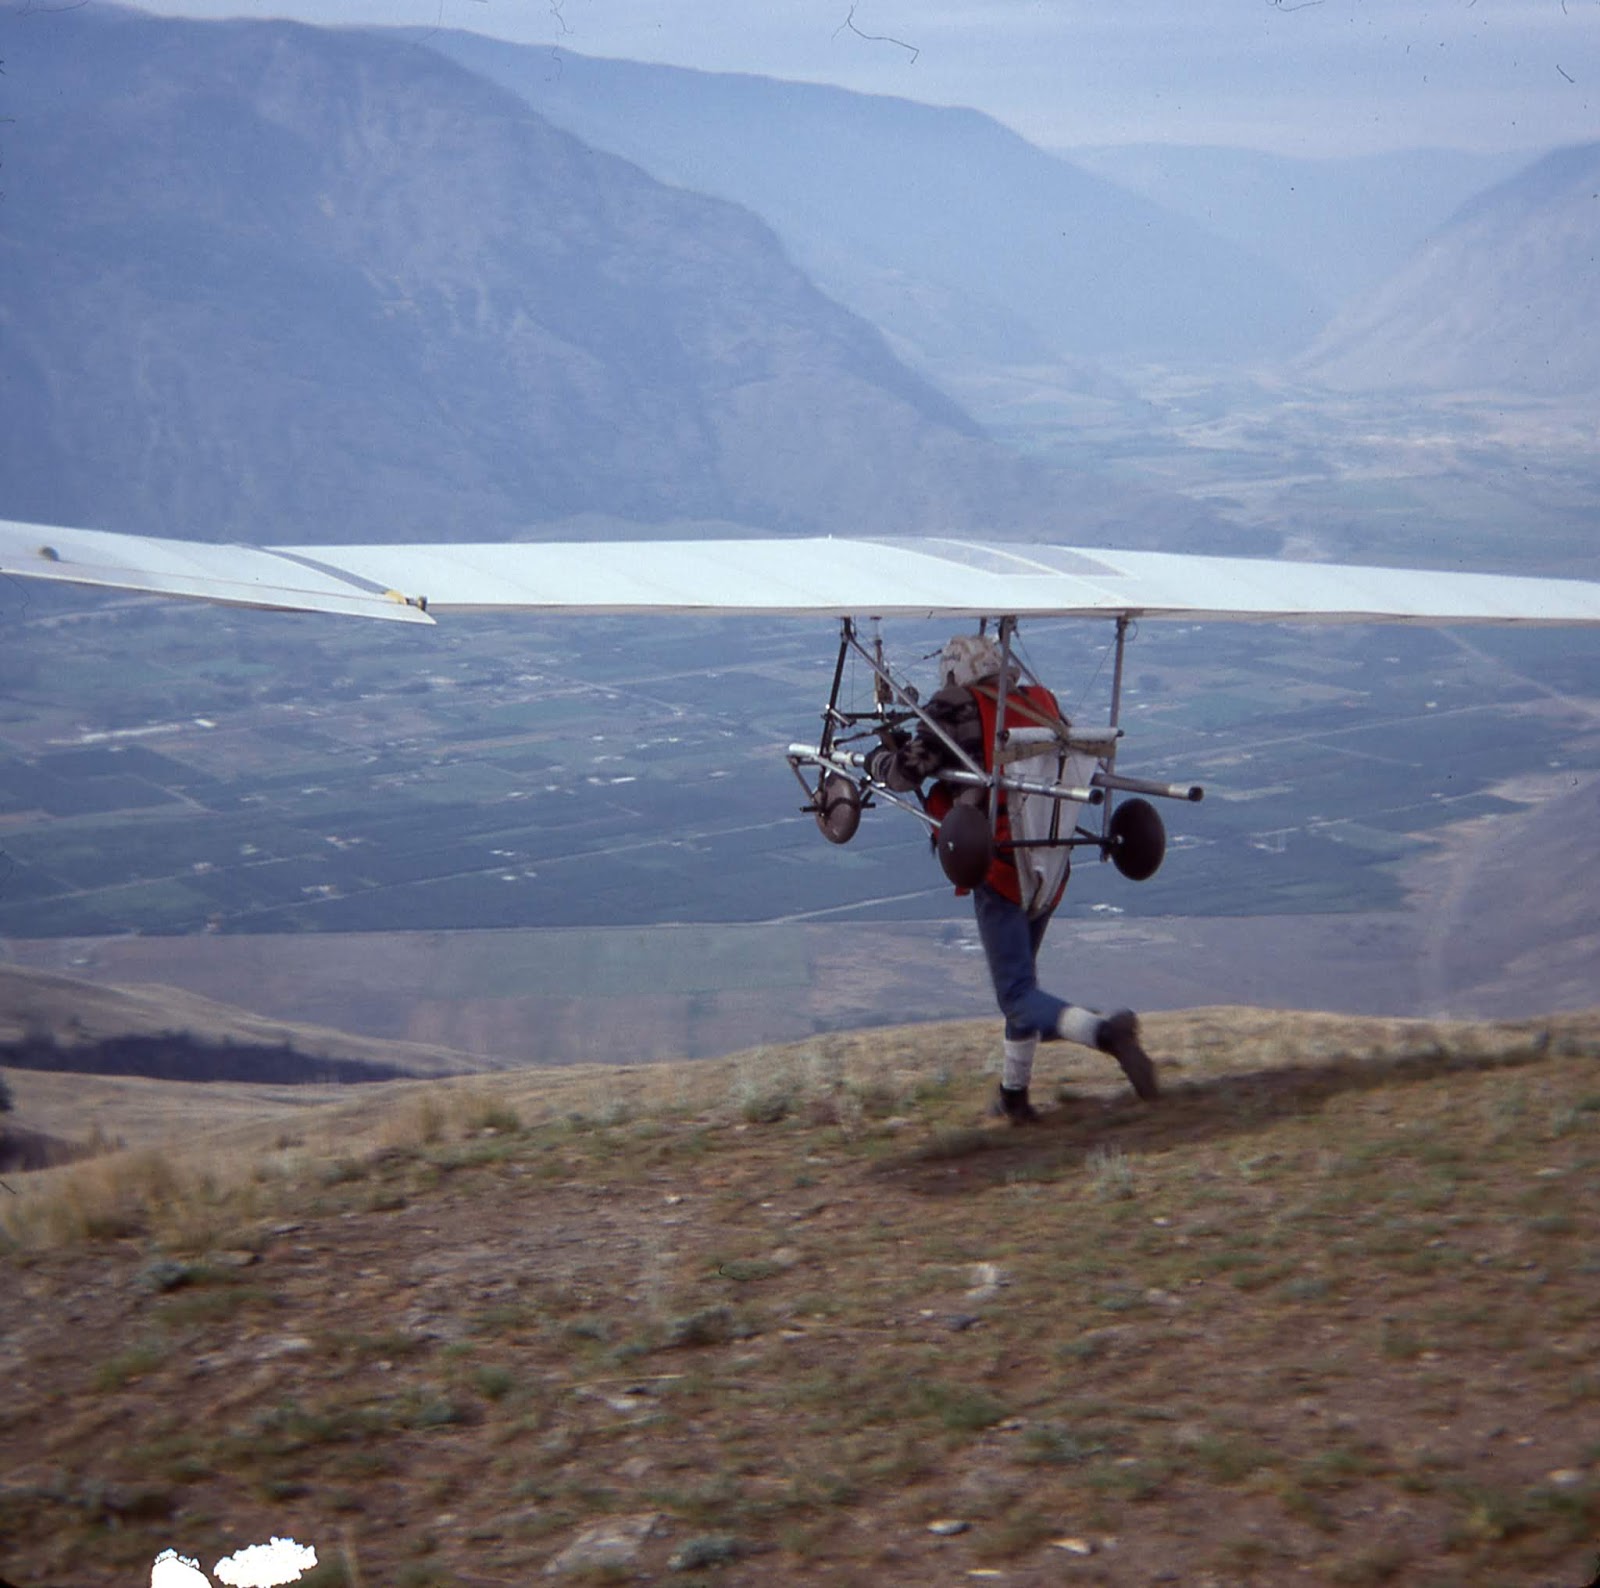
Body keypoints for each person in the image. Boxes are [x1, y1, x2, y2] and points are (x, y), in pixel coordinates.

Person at [873, 632, 1159, 1123]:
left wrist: (882, 757)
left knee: (1017, 996)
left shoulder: (958, 712)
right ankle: (1014, 1097)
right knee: (1024, 988)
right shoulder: (1042, 702)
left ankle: (1105, 1032)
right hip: (1052, 865)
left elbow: (905, 774)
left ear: (954, 675)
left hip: (1001, 866)